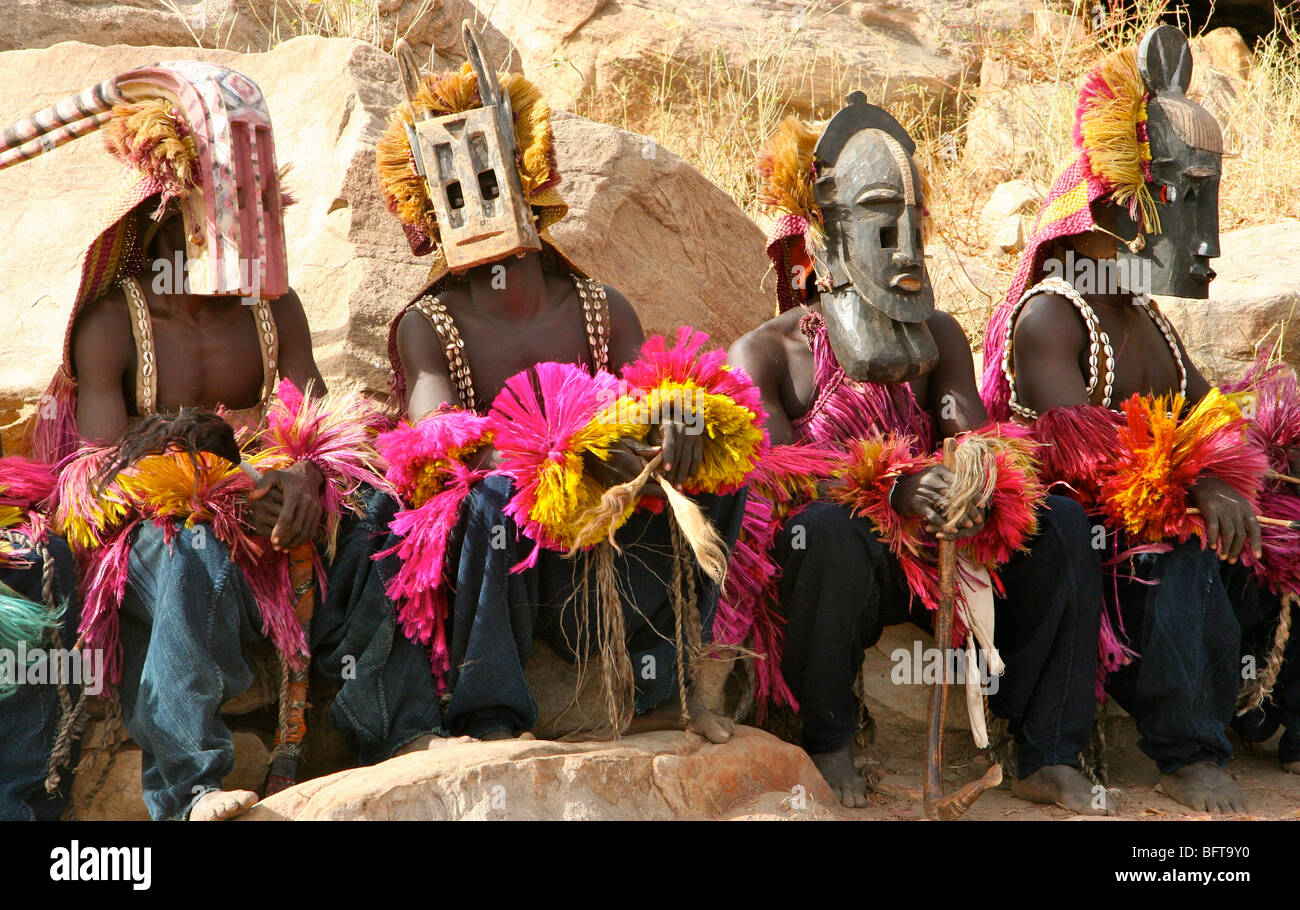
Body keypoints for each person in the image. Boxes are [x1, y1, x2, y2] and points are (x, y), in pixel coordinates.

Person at [312, 27, 752, 759]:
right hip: (510, 565)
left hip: (604, 544)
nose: (477, 199)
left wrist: (670, 433)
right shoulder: (430, 325)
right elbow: (437, 448)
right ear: (427, 208)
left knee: (719, 463)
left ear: (530, 176)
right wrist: (571, 457)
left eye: (491, 177)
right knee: (483, 498)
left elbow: (646, 404)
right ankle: (491, 711)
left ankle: (662, 686)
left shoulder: (600, 307)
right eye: (452, 188)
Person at [0, 62, 376, 821]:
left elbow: (319, 427)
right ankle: (191, 786)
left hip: (272, 526)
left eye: (256, 209)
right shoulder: (114, 320)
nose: (246, 232)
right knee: (187, 549)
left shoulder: (276, 311)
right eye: (227, 210)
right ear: (172, 211)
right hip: (151, 535)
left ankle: (399, 730)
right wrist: (214, 484)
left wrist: (305, 481)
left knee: (388, 522)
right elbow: (98, 480)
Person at [724, 95, 1109, 814]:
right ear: (827, 241)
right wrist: (892, 489)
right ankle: (829, 739)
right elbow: (780, 487)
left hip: (944, 546)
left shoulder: (938, 336)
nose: (905, 249)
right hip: (852, 557)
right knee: (822, 535)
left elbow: (973, 430)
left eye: (913, 225)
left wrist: (971, 477)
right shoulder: (766, 354)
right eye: (880, 226)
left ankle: (1048, 750)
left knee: (1061, 525)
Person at [979, 26, 1277, 814]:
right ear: (1126, 201)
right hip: (1065, 556)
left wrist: (1229, 476)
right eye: (1190, 196)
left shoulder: (1145, 317)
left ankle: (1271, 711)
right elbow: (1086, 461)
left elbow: (1216, 422)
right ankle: (1170, 752)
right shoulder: (1052, 315)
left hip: (1135, 532)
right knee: (1174, 540)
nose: (1206, 228)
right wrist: (1196, 488)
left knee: (1272, 511)